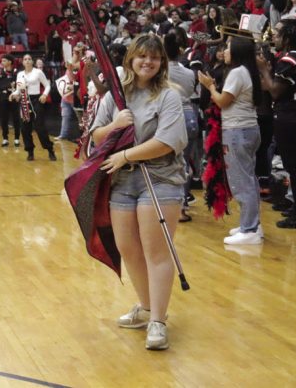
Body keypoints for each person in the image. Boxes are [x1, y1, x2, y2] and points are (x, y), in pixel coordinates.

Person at [95, 33, 188, 351]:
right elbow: (96, 138)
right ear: (131, 59)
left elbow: (165, 142)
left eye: (155, 57)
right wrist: (115, 126)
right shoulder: (115, 97)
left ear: (161, 63)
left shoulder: (168, 96)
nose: (148, 62)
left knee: (156, 252)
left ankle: (159, 322)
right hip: (122, 183)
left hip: (159, 179)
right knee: (128, 248)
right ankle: (147, 308)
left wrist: (125, 155)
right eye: (142, 56)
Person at [198, 36, 263, 245]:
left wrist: (209, 86)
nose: (224, 51)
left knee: (241, 181)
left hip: (237, 131)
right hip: (249, 129)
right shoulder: (248, 71)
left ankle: (249, 229)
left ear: (237, 51)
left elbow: (222, 102)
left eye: (227, 47)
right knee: (249, 178)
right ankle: (252, 224)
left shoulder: (237, 72)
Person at [259, 19, 296, 229]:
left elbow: (275, 90)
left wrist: (263, 69)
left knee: (295, 167)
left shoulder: (289, 60)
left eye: (277, 33)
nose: (273, 36)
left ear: (287, 37)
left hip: (291, 118)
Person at [164, 31, 200, 223]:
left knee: (169, 164)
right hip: (189, 116)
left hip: (170, 117)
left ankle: (171, 205)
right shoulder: (188, 72)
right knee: (185, 163)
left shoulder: (159, 72)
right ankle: (182, 207)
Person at [14, 54, 55, 161]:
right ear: (22, 62)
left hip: (36, 100)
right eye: (25, 59)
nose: (27, 61)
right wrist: (14, 94)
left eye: (29, 59)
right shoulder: (20, 74)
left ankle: (50, 149)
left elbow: (47, 85)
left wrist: (44, 95)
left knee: (40, 127)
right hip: (24, 101)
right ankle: (30, 151)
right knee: (25, 128)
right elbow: (18, 89)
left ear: (32, 61)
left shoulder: (38, 72)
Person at [0, 55, 21, 148]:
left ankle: (17, 138)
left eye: (4, 60)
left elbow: (18, 84)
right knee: (4, 119)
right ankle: (5, 138)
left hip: (14, 97)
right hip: (4, 98)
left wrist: (6, 85)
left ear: (10, 62)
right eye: (2, 61)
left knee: (16, 118)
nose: (2, 62)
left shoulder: (17, 72)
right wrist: (8, 85)